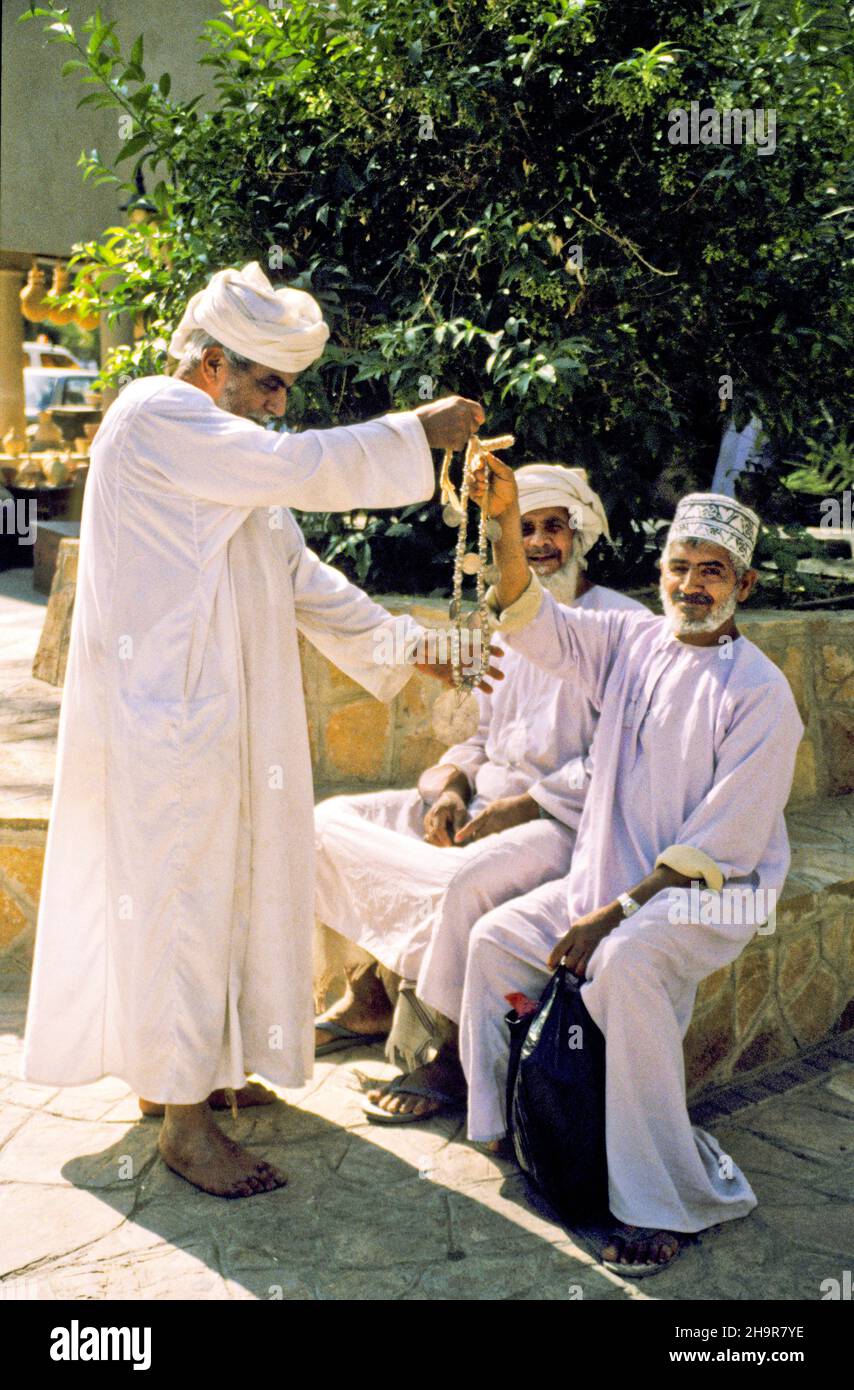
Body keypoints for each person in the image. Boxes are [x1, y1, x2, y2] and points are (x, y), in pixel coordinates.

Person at [22, 260, 488, 1199]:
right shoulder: (157, 414)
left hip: (212, 729)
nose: (277, 404)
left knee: (219, 900)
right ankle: (185, 1129)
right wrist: (414, 434)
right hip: (165, 729)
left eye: (284, 387)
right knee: (179, 910)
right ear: (209, 362)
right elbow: (298, 467)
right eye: (266, 382)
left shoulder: (222, 449)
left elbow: (299, 577)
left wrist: (415, 646)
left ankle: (184, 1079)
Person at [460, 466, 803, 1275]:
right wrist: (505, 521)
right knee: (494, 941)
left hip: (712, 896)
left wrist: (612, 914)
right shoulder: (630, 641)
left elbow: (721, 848)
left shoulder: (761, 694)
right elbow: (529, 616)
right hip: (607, 885)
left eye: (711, 569)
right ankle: (525, 1129)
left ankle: (661, 1199)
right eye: (679, 567)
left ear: (744, 584)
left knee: (625, 964)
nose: (690, 584)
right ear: (660, 574)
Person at [312, 466, 645, 1122]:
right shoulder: (506, 621)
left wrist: (519, 808)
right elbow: (478, 736)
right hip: (482, 806)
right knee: (330, 822)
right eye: (526, 530)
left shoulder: (623, 627)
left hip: (560, 822)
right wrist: (454, 790)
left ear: (583, 536)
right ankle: (368, 996)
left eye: (556, 527)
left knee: (463, 883)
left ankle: (451, 1058)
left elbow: (619, 762)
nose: (543, 542)